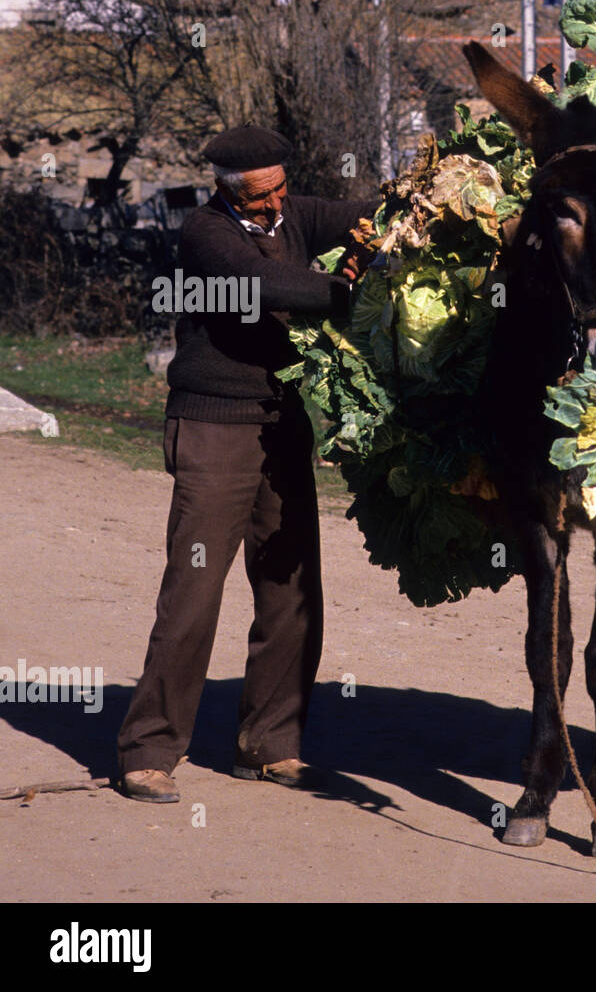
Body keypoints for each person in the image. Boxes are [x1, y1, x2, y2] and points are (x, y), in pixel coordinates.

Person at [117, 124, 374, 802]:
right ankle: (148, 749)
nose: (276, 207)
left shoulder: (294, 211)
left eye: (280, 190)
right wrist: (339, 288)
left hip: (280, 424)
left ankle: (269, 744)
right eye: (260, 198)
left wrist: (417, 207)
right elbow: (261, 284)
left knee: (291, 591)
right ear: (228, 190)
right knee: (194, 593)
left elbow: (366, 216)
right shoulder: (205, 235)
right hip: (212, 428)